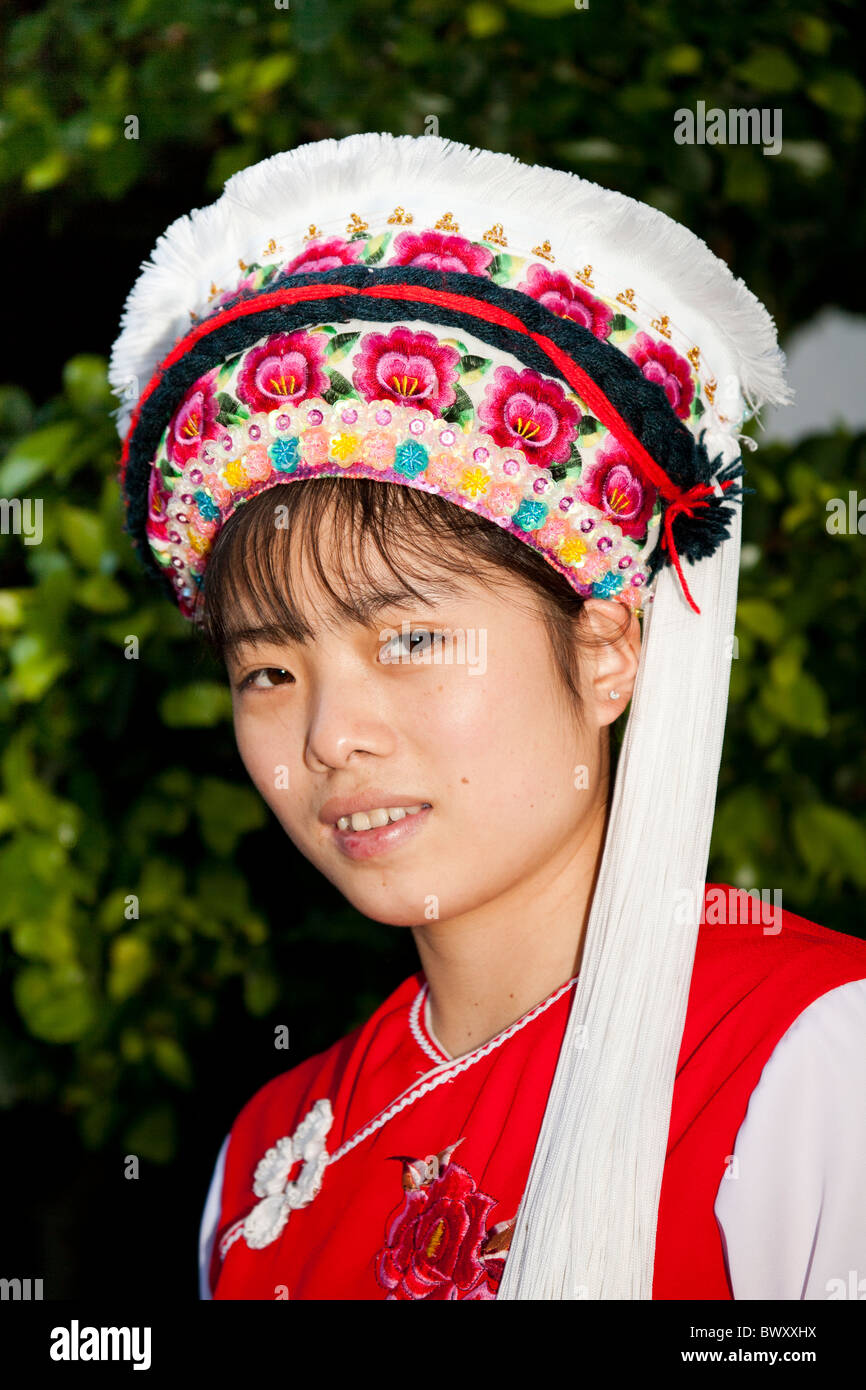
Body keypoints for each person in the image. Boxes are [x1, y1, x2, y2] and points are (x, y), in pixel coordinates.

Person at [108, 132, 866, 1301]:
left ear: (605, 648)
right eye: (268, 671)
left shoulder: (805, 1060)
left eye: (408, 639)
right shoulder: (267, 1157)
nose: (328, 736)